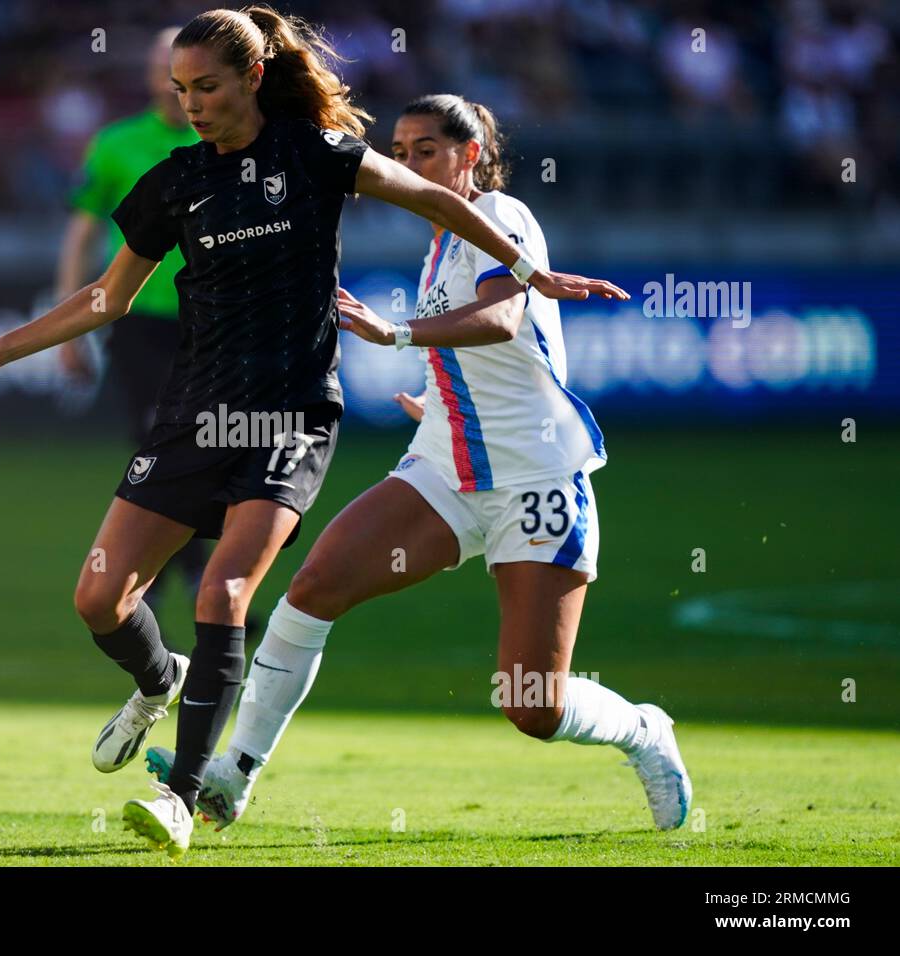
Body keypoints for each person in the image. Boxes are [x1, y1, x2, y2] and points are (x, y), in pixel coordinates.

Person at [0, 9, 627, 858]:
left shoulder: (314, 154)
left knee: (223, 593)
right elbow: (109, 297)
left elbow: (434, 198)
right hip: (194, 413)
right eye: (180, 90)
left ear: (252, 78)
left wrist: (528, 270)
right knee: (99, 600)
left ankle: (183, 795)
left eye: (207, 87)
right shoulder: (175, 181)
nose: (191, 105)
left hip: (291, 416)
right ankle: (160, 679)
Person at [147, 94, 691, 835]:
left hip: (534, 477)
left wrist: (396, 332)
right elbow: (489, 355)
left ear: (471, 155)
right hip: (445, 468)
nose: (408, 165)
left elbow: (502, 319)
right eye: (399, 153)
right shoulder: (440, 243)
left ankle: (644, 731)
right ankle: (232, 776)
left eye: (426, 150)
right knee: (313, 587)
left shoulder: (500, 214)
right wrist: (436, 404)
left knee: (532, 704)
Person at [57, 26, 211, 621]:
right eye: (165, 70)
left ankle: (163, 574)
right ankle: (187, 573)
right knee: (157, 438)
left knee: (200, 442)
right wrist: (70, 322)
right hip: (139, 322)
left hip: (211, 324)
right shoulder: (116, 144)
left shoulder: (224, 143)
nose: (174, 84)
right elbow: (82, 231)